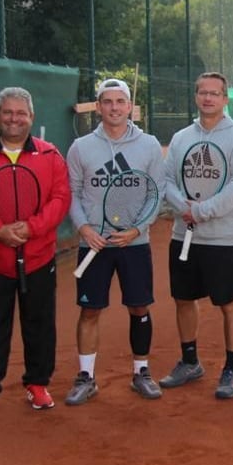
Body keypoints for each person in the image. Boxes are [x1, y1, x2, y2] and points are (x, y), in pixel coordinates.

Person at [0, 87, 71, 415]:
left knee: (40, 324)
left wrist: (31, 228)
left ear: (31, 118)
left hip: (39, 258)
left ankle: (37, 384)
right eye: (7, 113)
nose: (14, 119)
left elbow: (60, 198)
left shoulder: (50, 156)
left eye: (21, 113)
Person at [65, 78, 166, 405]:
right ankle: (86, 377)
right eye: (107, 102)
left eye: (119, 101)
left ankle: (141, 372)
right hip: (94, 244)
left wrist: (138, 229)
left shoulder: (149, 145)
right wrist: (84, 229)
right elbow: (72, 193)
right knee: (90, 310)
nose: (114, 108)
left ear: (129, 106)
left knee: (139, 306)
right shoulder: (81, 148)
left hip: (133, 243)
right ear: (98, 107)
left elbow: (157, 192)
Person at [160, 72, 233, 399]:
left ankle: (231, 368)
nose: (208, 98)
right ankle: (190, 362)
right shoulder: (182, 137)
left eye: (215, 93)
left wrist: (203, 210)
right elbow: (166, 179)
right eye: (202, 92)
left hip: (222, 238)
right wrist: (183, 207)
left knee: (228, 303)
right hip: (182, 234)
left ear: (225, 99)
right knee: (183, 299)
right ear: (196, 96)